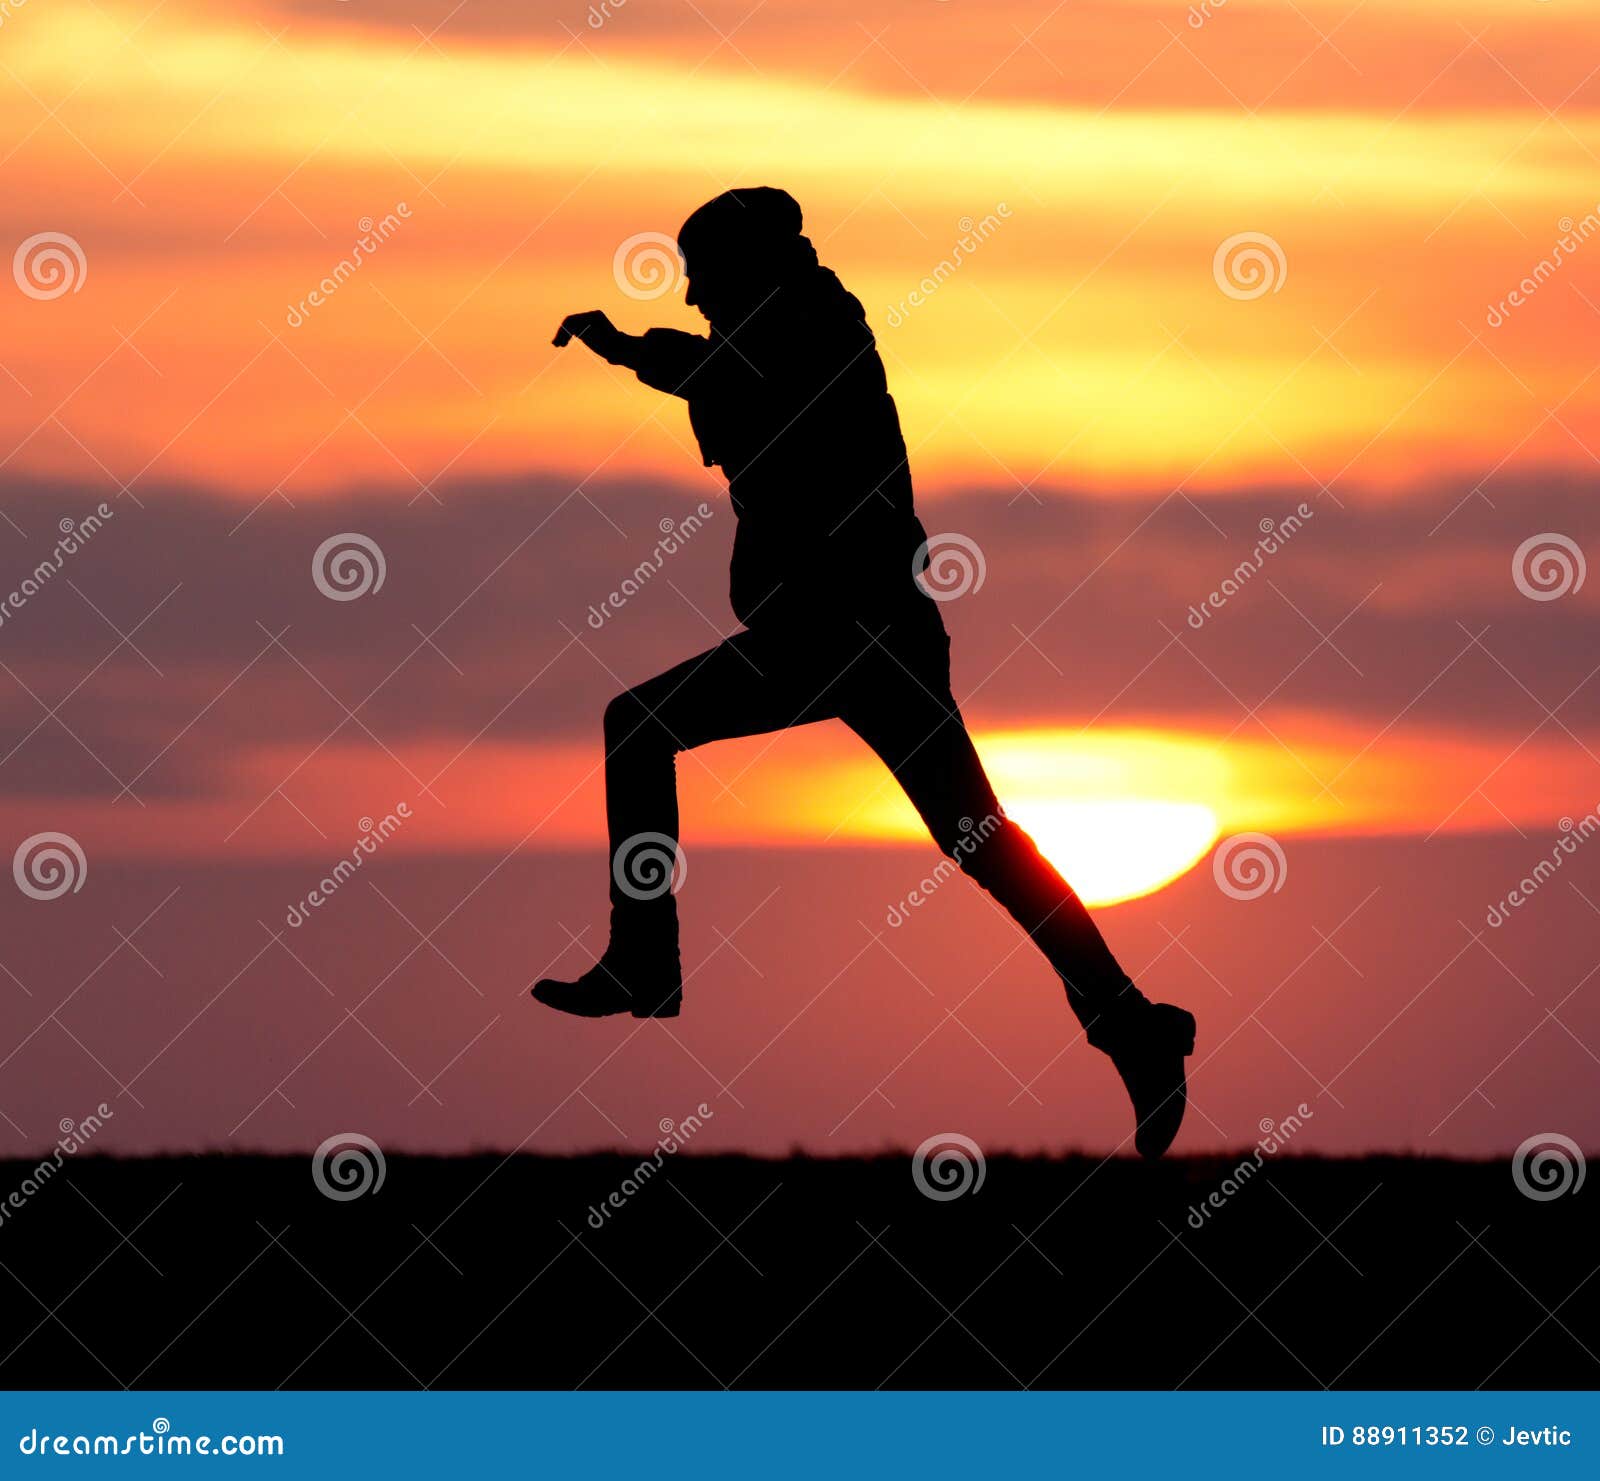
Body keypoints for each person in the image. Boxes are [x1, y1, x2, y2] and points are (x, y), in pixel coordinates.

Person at [538, 187, 1196, 1158]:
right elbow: (717, 371)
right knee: (973, 837)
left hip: (851, 634)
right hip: (835, 636)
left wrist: (632, 348)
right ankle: (1127, 1019)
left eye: (702, 275)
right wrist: (633, 348)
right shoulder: (775, 331)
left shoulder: (813, 327)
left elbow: (729, 373)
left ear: (749, 267)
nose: (692, 294)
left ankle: (645, 961)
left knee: (649, 730)